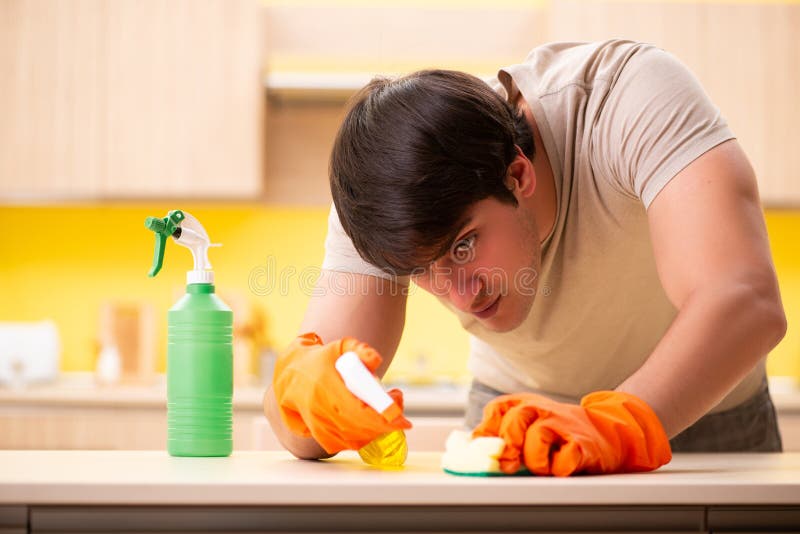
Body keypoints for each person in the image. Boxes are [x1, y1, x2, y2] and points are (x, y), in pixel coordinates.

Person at [263, 39, 787, 476]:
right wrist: (300, 401)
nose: (460, 296)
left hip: (708, 417)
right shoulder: (383, 200)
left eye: (463, 245)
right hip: (511, 425)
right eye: (422, 271)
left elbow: (745, 300)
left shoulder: (624, 98)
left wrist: (615, 425)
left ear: (518, 175)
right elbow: (305, 404)